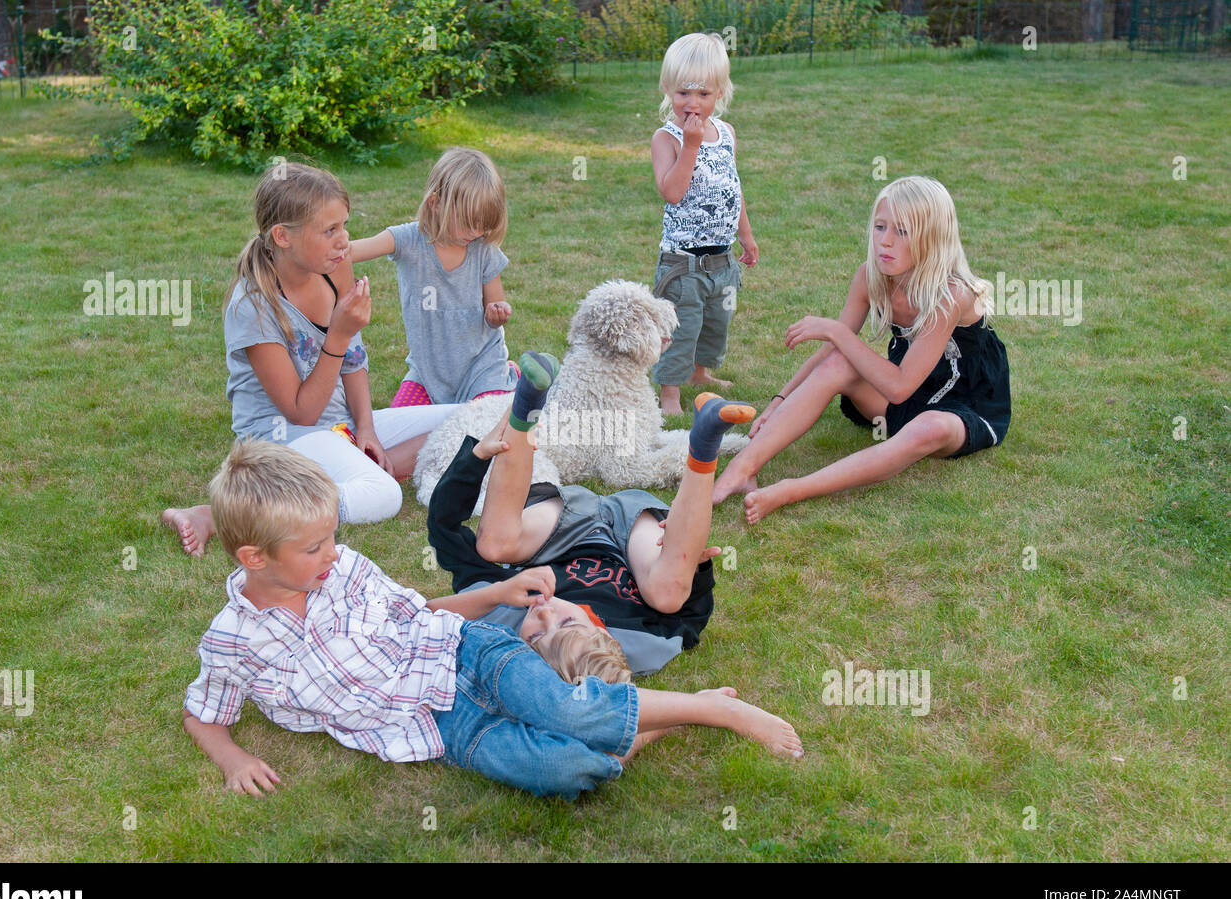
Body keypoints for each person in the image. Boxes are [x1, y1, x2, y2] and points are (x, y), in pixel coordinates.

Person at [181, 439, 803, 802]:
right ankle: (651, 726)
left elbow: (423, 613)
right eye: (314, 547)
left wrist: (498, 591)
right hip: (439, 729)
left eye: (332, 538)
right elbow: (202, 713)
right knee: (564, 772)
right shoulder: (234, 642)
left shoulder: (345, 569)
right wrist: (233, 759)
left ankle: (717, 710)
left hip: (463, 653)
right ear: (254, 558)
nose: (333, 553)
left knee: (566, 709)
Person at [162, 162, 455, 555]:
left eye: (345, 225)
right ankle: (227, 513)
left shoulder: (336, 266)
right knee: (383, 496)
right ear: (283, 236)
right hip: (281, 439)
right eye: (330, 230)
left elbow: (354, 361)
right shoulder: (254, 305)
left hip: (339, 425)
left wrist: (366, 428)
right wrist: (338, 333)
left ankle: (357, 458)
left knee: (474, 417)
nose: (344, 241)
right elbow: (301, 412)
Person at [427, 351, 756, 676]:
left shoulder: (506, 611)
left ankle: (526, 404)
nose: (545, 613)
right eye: (566, 621)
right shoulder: (639, 646)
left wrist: (475, 458)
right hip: (632, 534)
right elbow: (690, 618)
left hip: (561, 525)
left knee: (492, 547)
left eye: (536, 635)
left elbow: (446, 536)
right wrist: (694, 571)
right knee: (668, 595)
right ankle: (706, 440)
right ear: (602, 631)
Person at [712, 176, 1011, 524]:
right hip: (904, 398)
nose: (885, 241)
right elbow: (831, 356)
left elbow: (898, 384)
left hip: (964, 407)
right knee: (839, 361)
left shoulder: (952, 294)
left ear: (932, 238)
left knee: (930, 428)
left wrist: (836, 331)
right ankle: (743, 467)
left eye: (902, 231)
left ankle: (792, 489)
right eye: (880, 226)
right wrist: (779, 402)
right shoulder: (871, 276)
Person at [348, 147, 518, 408]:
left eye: (483, 224)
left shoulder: (484, 249)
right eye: (469, 222)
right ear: (435, 204)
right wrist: (316, 248)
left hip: (482, 369)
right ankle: (512, 376)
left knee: (483, 430)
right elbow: (353, 251)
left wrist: (497, 312)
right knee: (399, 433)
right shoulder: (407, 239)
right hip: (427, 373)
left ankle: (511, 377)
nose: (476, 232)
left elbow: (495, 304)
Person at [649, 32, 759, 417]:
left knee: (715, 323)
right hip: (683, 264)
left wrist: (745, 235)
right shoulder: (668, 138)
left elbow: (733, 187)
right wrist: (691, 146)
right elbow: (672, 192)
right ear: (667, 89)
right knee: (681, 328)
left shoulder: (727, 133)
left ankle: (700, 373)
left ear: (721, 92)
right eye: (683, 94)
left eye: (703, 95)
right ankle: (669, 395)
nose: (692, 104)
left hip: (721, 259)